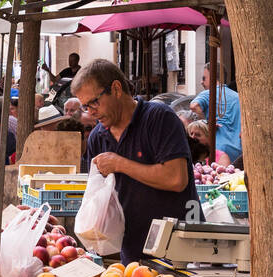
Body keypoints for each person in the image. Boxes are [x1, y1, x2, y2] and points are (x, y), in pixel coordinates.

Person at [74, 59, 199, 263]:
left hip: (177, 249)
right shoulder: (97, 137)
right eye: (85, 106)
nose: (90, 112)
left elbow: (176, 179)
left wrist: (119, 164)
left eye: (94, 102)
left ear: (116, 89)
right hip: (132, 251)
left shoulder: (159, 118)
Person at [190, 68, 241, 165]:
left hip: (217, 152)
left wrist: (205, 122)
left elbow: (194, 106)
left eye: (204, 78)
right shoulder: (238, 97)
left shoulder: (208, 93)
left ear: (213, 77)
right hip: (238, 152)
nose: (201, 82)